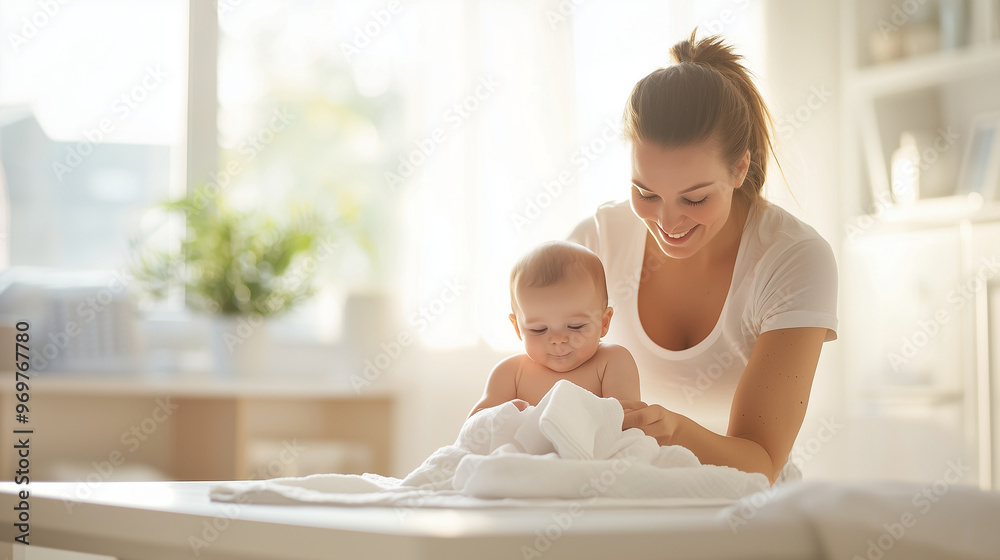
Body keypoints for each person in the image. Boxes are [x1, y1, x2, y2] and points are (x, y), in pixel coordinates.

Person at [567, 30, 838, 485]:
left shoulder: (792, 258)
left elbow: (762, 464)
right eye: (645, 192)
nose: (667, 221)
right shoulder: (595, 244)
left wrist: (673, 430)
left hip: (747, 513)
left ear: (739, 169)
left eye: (694, 199)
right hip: (623, 498)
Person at [469, 240, 641, 418]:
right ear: (518, 328)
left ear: (603, 323)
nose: (558, 339)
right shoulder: (510, 373)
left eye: (576, 326)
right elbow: (472, 430)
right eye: (539, 329)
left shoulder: (611, 362)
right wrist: (499, 416)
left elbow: (630, 424)